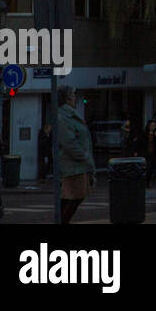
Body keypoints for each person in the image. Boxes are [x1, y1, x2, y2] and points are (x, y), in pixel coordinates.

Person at [57, 87, 95, 225]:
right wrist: (83, 156)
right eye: (73, 95)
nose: (75, 98)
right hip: (73, 164)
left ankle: (62, 220)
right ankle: (62, 221)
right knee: (75, 195)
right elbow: (69, 142)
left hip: (77, 163)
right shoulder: (64, 116)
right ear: (67, 98)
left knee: (72, 196)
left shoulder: (70, 114)